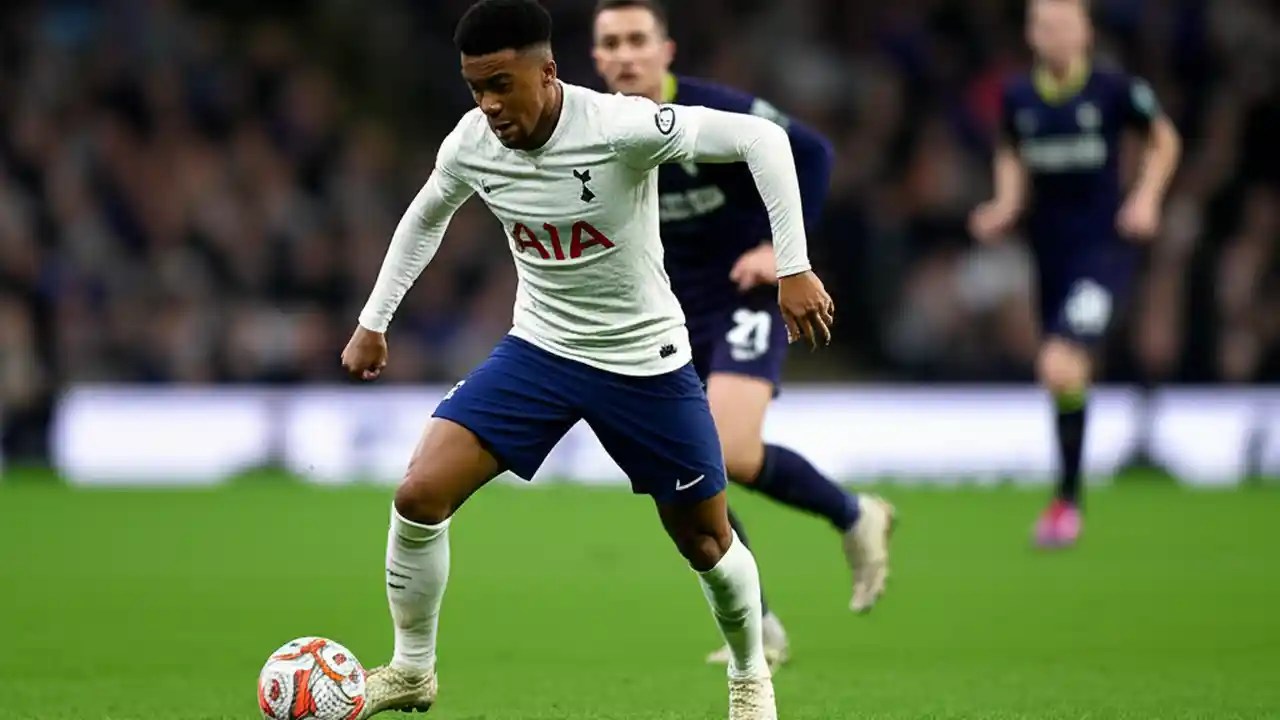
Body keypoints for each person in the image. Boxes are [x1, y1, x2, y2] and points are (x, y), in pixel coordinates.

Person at [340, 0, 837, 717]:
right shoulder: (472, 141)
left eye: (501, 84)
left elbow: (763, 139)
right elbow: (427, 215)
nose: (488, 104)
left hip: (644, 361)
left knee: (705, 540)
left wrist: (792, 264)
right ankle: (412, 670)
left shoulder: (619, 126)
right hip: (540, 351)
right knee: (419, 494)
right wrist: (373, 321)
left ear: (547, 72)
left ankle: (749, 674)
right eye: (475, 88)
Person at [590, 0, 895, 668]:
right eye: (611, 43)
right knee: (687, 473)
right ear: (595, 57)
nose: (625, 55)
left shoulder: (710, 111)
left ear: (666, 51)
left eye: (638, 39)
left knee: (725, 449)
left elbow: (812, 151)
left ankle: (851, 516)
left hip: (743, 295)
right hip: (662, 314)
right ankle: (765, 625)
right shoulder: (594, 129)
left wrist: (780, 250)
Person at [969, 0, 1181, 547]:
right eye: (1043, 26)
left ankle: (1067, 503)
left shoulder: (1114, 89)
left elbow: (1164, 139)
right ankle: (1067, 500)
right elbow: (1010, 150)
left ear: (1086, 32)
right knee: (1066, 375)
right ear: (1030, 34)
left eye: (1064, 25)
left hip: (1103, 251)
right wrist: (1006, 203)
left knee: (1059, 364)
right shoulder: (1019, 96)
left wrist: (1147, 198)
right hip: (1050, 254)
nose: (1054, 35)